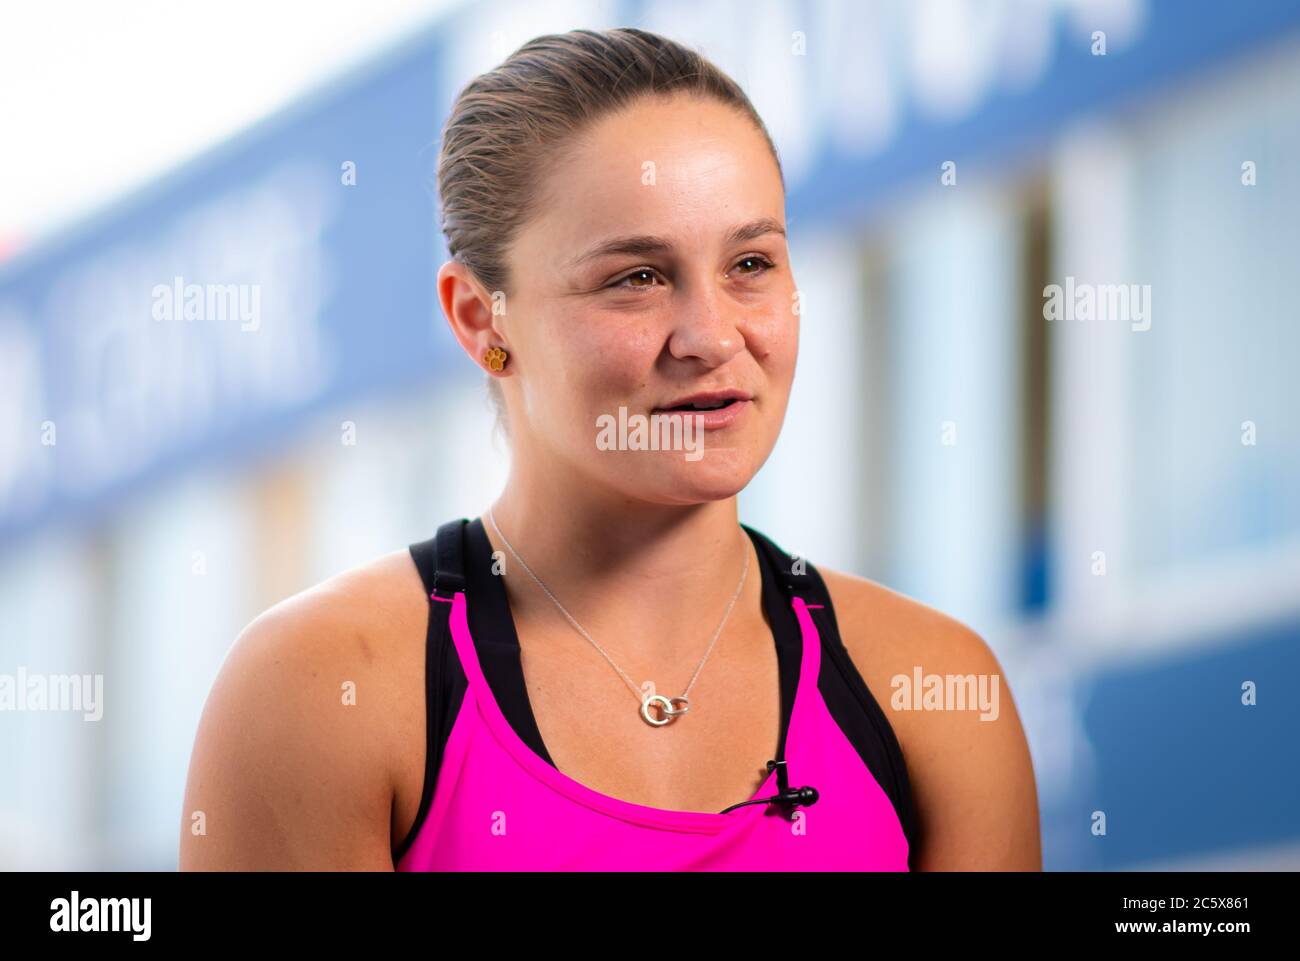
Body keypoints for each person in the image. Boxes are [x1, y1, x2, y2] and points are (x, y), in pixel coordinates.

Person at [179, 26, 1040, 871]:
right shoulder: (326, 691)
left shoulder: (931, 691)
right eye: (637, 277)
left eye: (750, 264)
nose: (710, 336)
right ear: (483, 320)